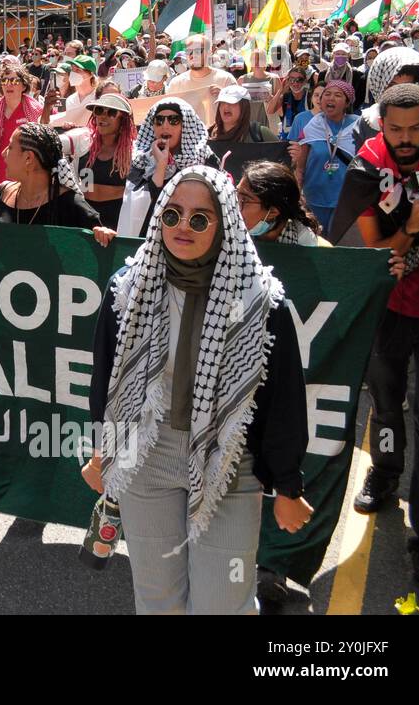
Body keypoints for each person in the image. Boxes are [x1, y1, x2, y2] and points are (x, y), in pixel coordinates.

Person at [84, 166, 312, 614]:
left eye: (200, 218)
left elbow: (283, 401)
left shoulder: (261, 302)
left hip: (229, 463)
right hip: (146, 458)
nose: (183, 227)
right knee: (158, 600)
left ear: (224, 222)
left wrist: (286, 485)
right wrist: (102, 452)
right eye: (172, 215)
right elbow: (107, 384)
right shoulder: (128, 289)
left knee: (223, 604)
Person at [0, 122, 114, 532]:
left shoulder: (68, 204)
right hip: (0, 324)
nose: (2, 152)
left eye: (10, 147)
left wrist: (100, 234)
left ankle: (40, 500)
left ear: (29, 159)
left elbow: (99, 246)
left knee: (40, 415)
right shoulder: (5, 192)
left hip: (47, 333)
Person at [326, 84, 419, 599]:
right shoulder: (366, 168)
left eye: (417, 128)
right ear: (381, 124)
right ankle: (386, 473)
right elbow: (375, 249)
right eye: (396, 129)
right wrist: (413, 225)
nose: (407, 139)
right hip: (388, 308)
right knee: (387, 408)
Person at [117, 98, 220, 237]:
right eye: (159, 120)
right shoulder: (141, 160)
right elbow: (155, 199)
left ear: (185, 126)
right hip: (149, 235)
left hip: (189, 236)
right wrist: (161, 164)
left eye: (173, 120)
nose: (164, 126)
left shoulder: (204, 159)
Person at [60, 92, 136, 229]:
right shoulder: (82, 140)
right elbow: (52, 142)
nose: (102, 116)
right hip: (84, 214)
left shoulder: (133, 152)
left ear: (123, 119)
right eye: (99, 110)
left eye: (112, 112)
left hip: (117, 217)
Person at [292, 79, 358, 229]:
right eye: (327, 94)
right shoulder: (312, 126)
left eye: (338, 95)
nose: (330, 98)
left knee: (338, 249)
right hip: (314, 199)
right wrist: (297, 196)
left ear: (347, 103)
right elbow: (300, 168)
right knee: (317, 245)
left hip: (345, 201)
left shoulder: (358, 127)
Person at [0, 65, 42, 193]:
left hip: (27, 178)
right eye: (4, 81)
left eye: (14, 80)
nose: (8, 84)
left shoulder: (36, 110)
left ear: (23, 86)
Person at [237, 161, 325, 246]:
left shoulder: (303, 243)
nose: (235, 205)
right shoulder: (233, 231)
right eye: (235, 194)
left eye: (244, 200)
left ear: (272, 212)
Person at [355, 47, 419, 149]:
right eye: (392, 85)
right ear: (380, 85)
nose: (399, 92)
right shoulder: (368, 122)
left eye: (407, 85)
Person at [166, 35, 237, 96]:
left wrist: (224, 97)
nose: (193, 55)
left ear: (209, 53)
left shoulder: (226, 80)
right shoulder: (176, 84)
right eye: (189, 51)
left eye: (198, 51)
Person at [209, 85, 275, 143]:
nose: (226, 106)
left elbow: (281, 153)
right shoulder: (207, 135)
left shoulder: (260, 134)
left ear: (244, 107)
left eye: (232, 102)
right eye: (222, 102)